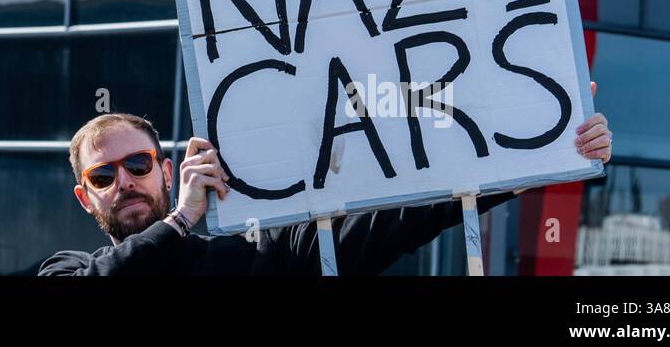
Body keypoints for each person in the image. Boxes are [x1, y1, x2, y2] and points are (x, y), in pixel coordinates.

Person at [39, 82, 612, 275]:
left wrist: (532, 156)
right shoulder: (66, 271)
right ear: (85, 196)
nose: (126, 181)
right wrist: (183, 217)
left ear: (166, 170)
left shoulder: (243, 257)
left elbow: (391, 221)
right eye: (103, 174)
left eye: (138, 164)